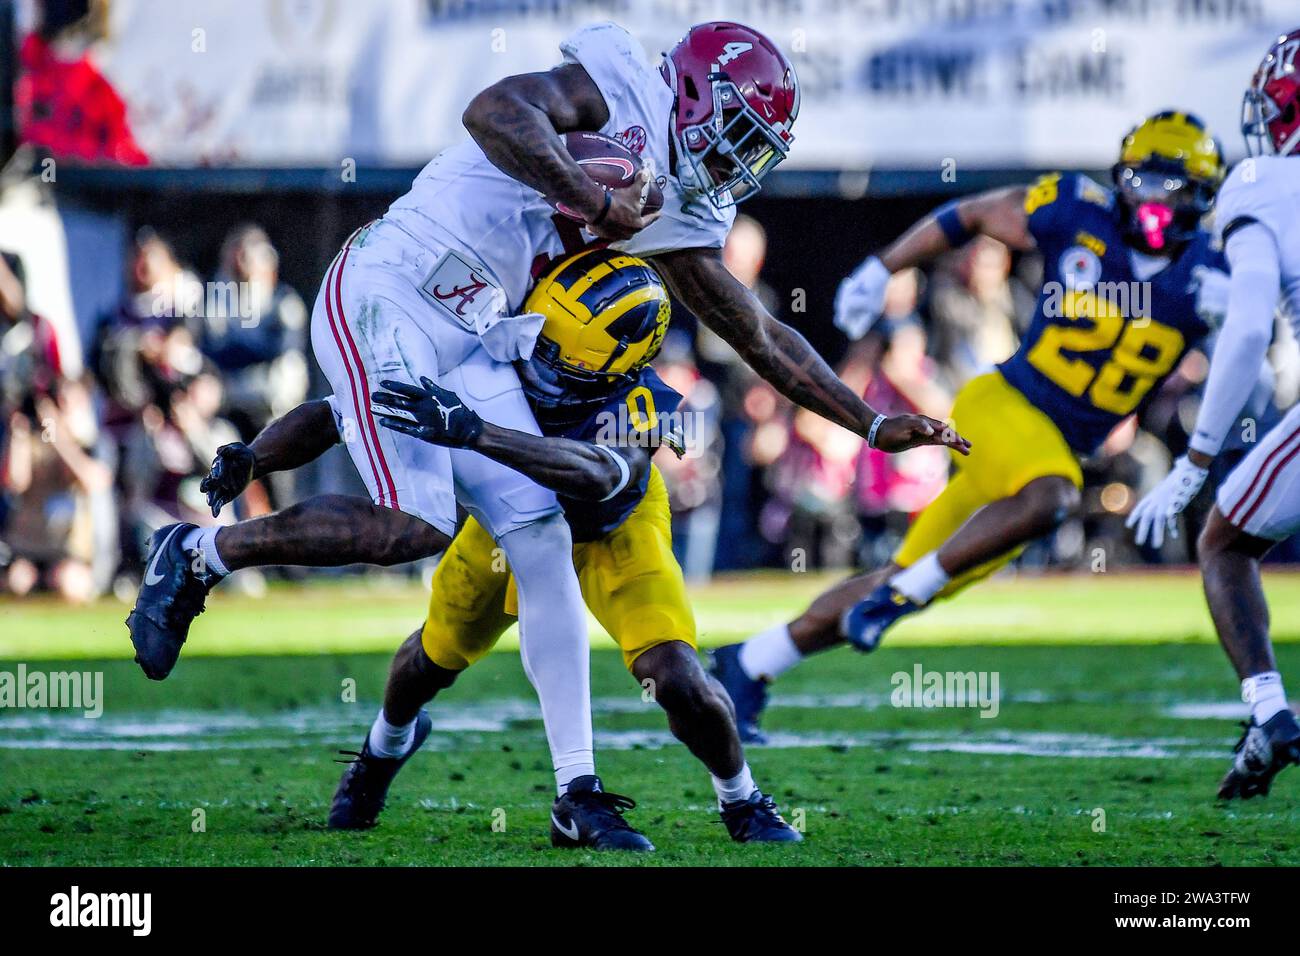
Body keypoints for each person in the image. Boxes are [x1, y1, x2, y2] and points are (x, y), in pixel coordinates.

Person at [125, 20, 964, 849]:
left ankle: (577, 789)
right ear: (697, 95)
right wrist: (594, 197)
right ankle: (200, 555)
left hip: (485, 327)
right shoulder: (618, 88)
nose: (734, 162)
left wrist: (871, 420)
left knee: (537, 527)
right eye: (735, 132)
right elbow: (492, 111)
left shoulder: (667, 249)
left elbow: (760, 336)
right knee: (410, 528)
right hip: (397, 280)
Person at [207, 251, 801, 845]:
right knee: (431, 659)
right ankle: (381, 751)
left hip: (611, 530)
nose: (538, 365)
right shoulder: (503, 337)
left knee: (676, 676)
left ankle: (743, 800)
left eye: (560, 362)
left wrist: (478, 432)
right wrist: (256, 456)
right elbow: (348, 411)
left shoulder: (637, 401)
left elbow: (598, 476)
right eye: (542, 345)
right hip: (505, 525)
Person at [713, 111, 1230, 743]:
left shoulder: (1218, 274)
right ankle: (899, 597)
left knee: (906, 575)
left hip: (1049, 449)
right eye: (1146, 183)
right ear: (1122, 178)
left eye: (1173, 189)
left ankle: (750, 663)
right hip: (1004, 408)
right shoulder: (1078, 211)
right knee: (1055, 497)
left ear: (1203, 196)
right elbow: (973, 213)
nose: (1154, 204)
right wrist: (884, 266)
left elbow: (1248, 342)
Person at [1127, 32, 1300, 799]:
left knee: (1223, 541)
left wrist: (1196, 459)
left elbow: (1250, 322)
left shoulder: (1263, 180)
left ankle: (1269, 712)